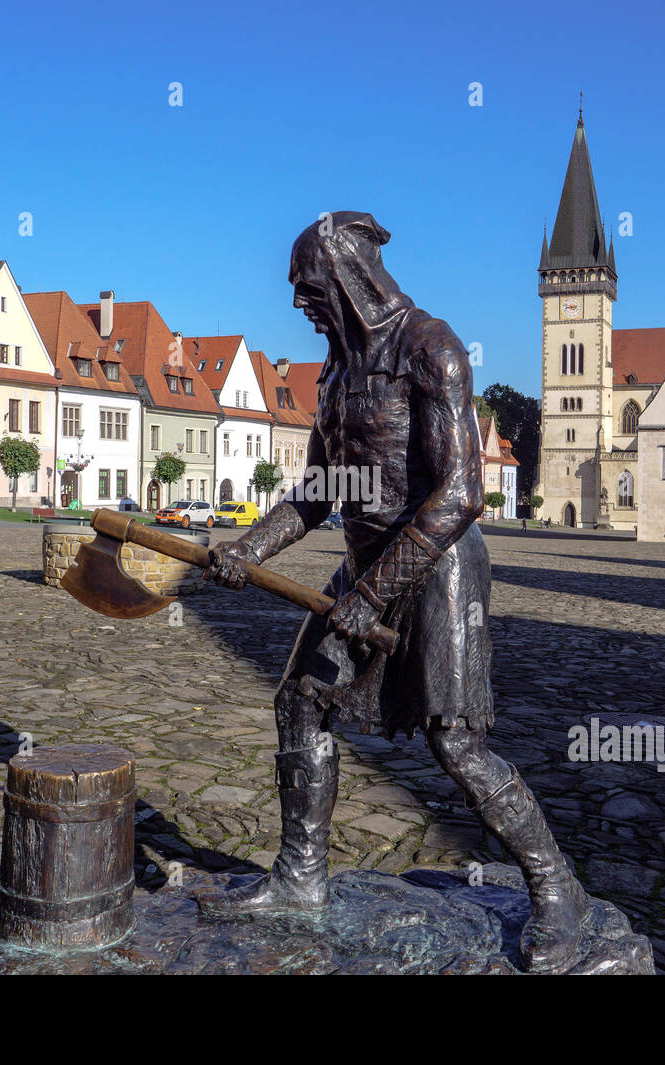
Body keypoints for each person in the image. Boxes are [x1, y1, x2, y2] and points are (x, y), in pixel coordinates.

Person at [202, 212, 589, 973]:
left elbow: (462, 493)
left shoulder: (431, 349)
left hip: (439, 566)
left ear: (347, 277)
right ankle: (301, 877)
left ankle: (558, 889)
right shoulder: (336, 371)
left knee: (457, 743)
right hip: (368, 562)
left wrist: (374, 594)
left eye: (308, 287)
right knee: (300, 698)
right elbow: (319, 489)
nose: (299, 304)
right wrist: (248, 547)